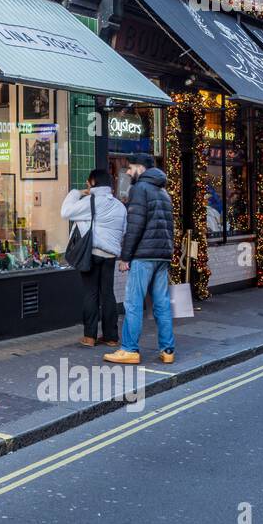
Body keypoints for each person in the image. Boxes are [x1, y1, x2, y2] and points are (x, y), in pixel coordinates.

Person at [105, 154, 175, 365]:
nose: (128, 172)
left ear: (141, 168)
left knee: (133, 303)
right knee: (162, 304)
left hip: (144, 256)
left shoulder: (139, 189)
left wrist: (125, 257)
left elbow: (135, 226)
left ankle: (129, 349)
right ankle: (167, 350)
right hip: (162, 255)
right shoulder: (163, 192)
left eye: (131, 167)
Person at [60, 169, 127, 348]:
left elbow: (65, 212)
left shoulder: (90, 201)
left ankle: (89, 336)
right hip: (111, 256)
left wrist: (76, 193)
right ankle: (111, 337)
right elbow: (124, 231)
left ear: (93, 183)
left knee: (91, 293)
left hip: (93, 253)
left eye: (87, 183)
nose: (86, 186)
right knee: (108, 294)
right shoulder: (120, 206)